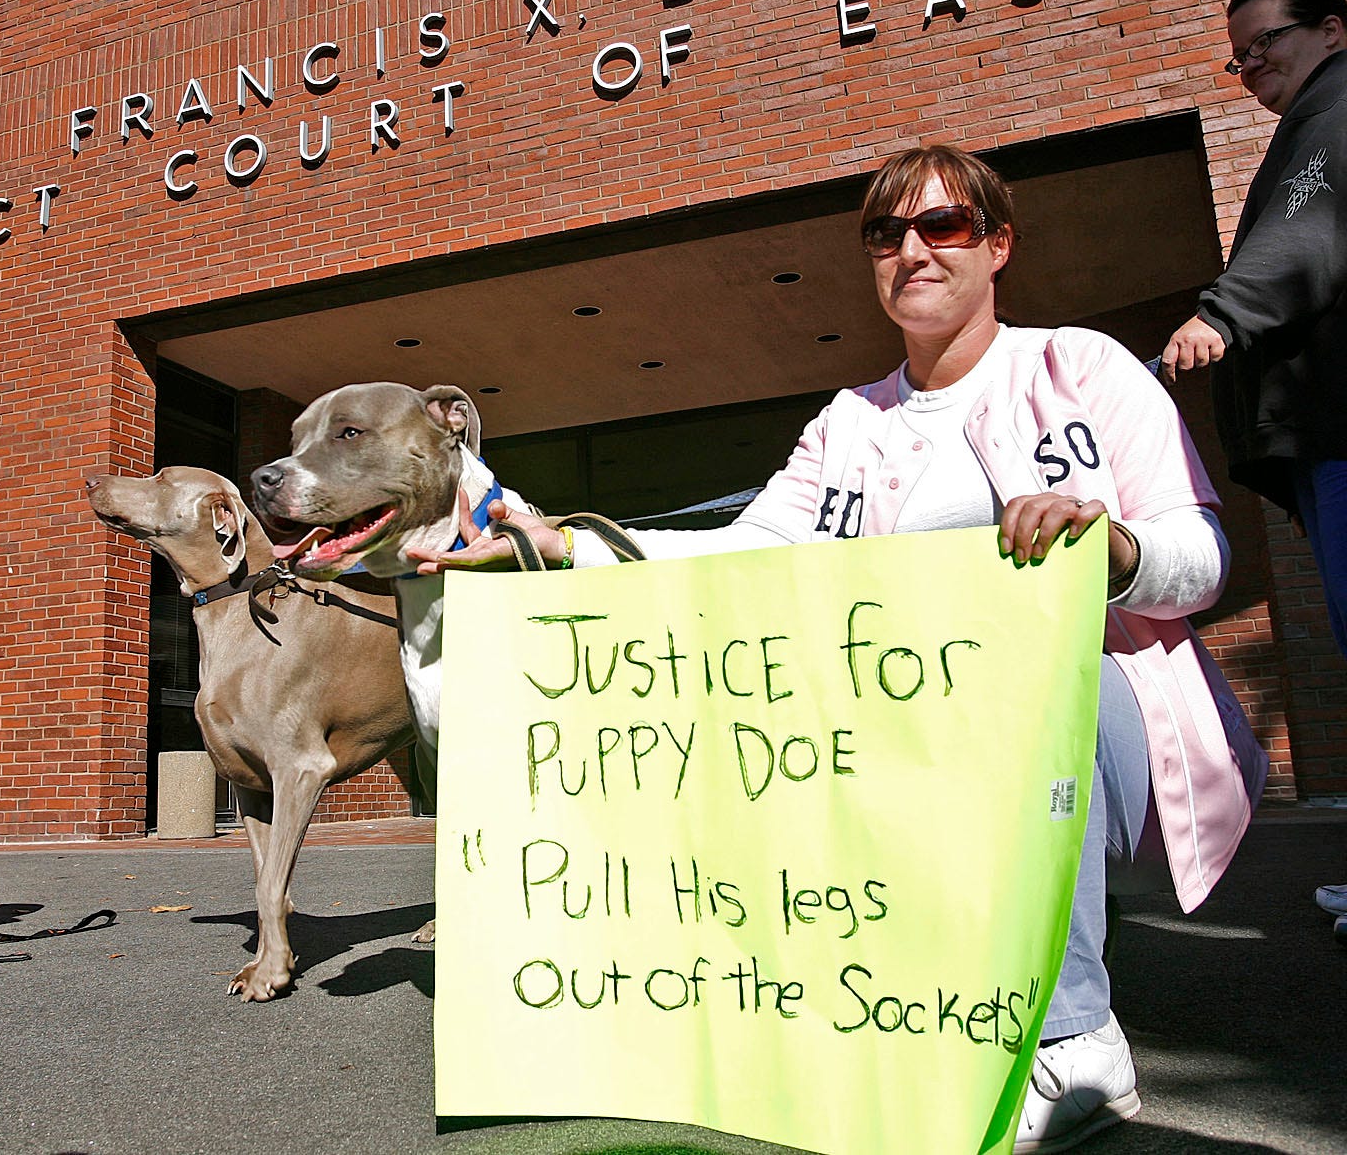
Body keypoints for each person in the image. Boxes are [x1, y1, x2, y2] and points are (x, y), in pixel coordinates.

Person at [417, 144, 1267, 1153]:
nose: (912, 249)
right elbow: (744, 552)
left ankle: (1077, 1035)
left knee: (1007, 669)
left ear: (996, 245)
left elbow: (1202, 558)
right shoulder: (847, 425)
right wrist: (556, 540)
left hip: (1113, 746)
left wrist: (1112, 543)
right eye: (885, 232)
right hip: (924, 773)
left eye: (943, 225)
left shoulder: (1078, 368)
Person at [1158, 0, 1347, 934]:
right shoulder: (1312, 118)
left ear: (1331, 28)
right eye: (1236, 58)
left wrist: (1222, 316)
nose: (1250, 67)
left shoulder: (1340, 109)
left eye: (1264, 43)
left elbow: (1314, 228)